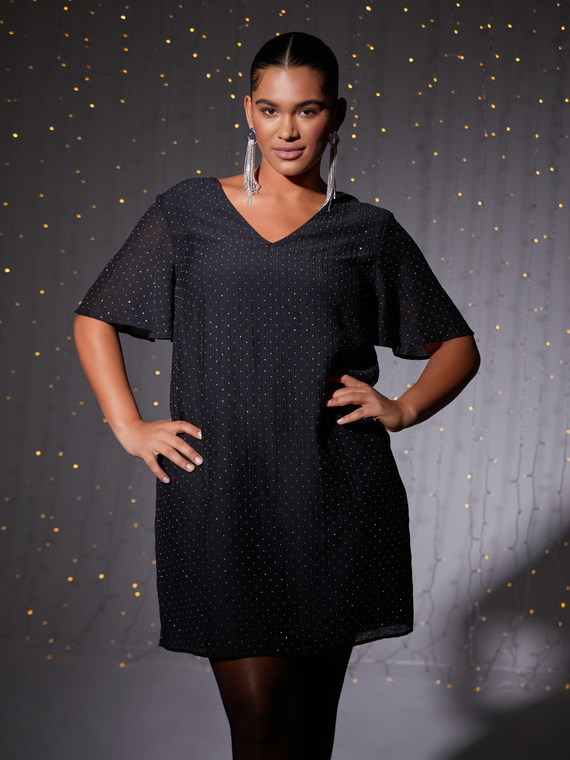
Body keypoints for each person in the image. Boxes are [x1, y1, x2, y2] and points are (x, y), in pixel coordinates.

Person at [74, 31, 480, 760]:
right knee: (260, 729)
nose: (287, 129)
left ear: (337, 115)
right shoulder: (189, 211)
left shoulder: (366, 230)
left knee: (307, 736)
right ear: (248, 112)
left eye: (307, 110)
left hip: (336, 496)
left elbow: (457, 345)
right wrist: (128, 425)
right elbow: (94, 317)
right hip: (221, 497)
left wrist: (404, 407)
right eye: (270, 109)